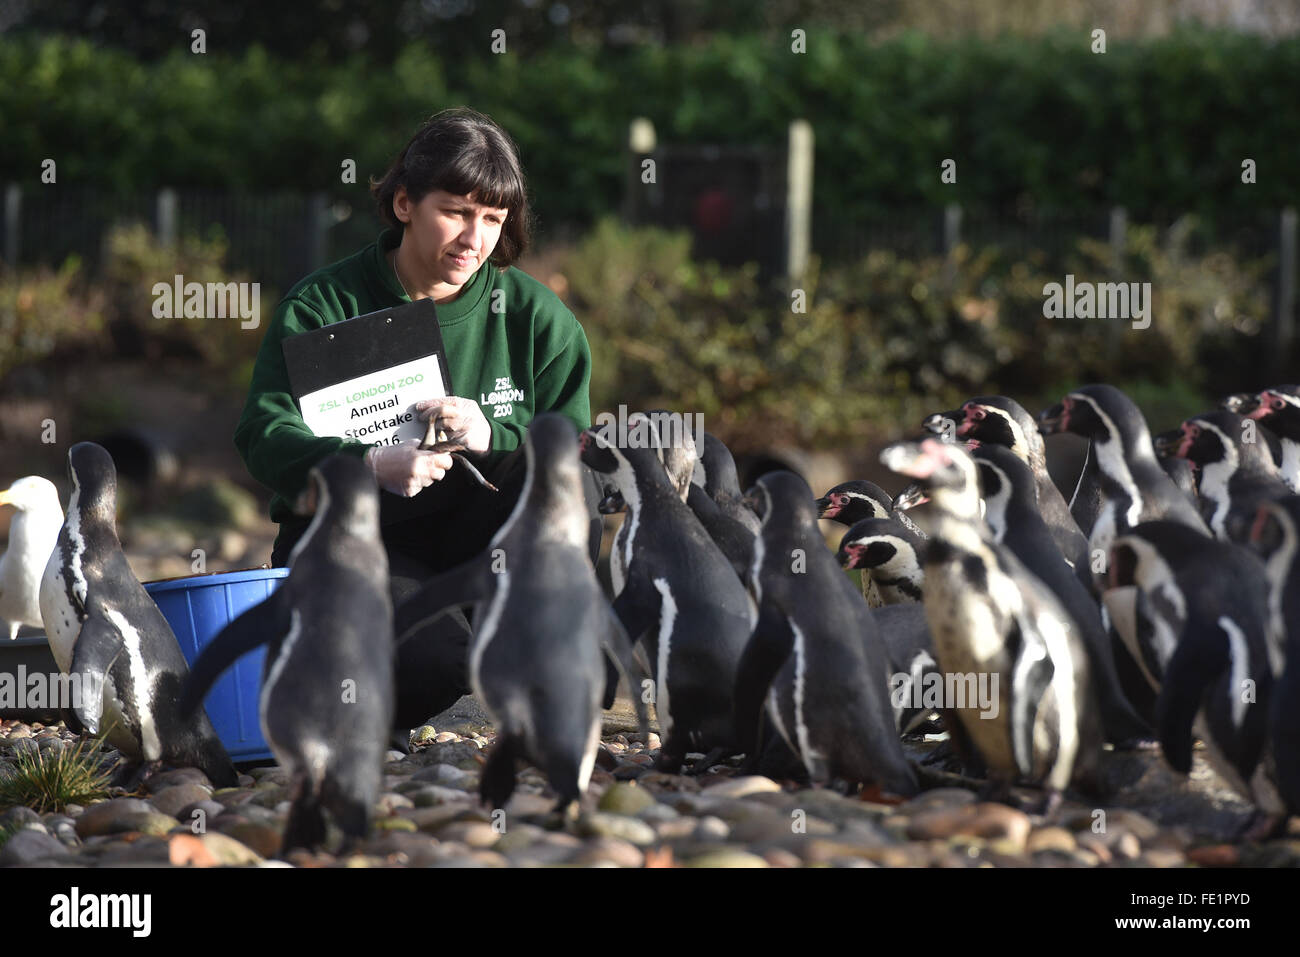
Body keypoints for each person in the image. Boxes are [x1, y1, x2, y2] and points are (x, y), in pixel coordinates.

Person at [235, 108, 600, 723]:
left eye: (492, 219)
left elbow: (575, 448)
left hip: (471, 539)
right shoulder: (324, 304)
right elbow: (264, 434)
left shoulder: (536, 316)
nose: (473, 238)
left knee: (570, 480)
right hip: (354, 540)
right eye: (455, 211)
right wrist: (367, 463)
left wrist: (492, 434)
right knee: (435, 661)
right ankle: (353, 695)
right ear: (404, 203)